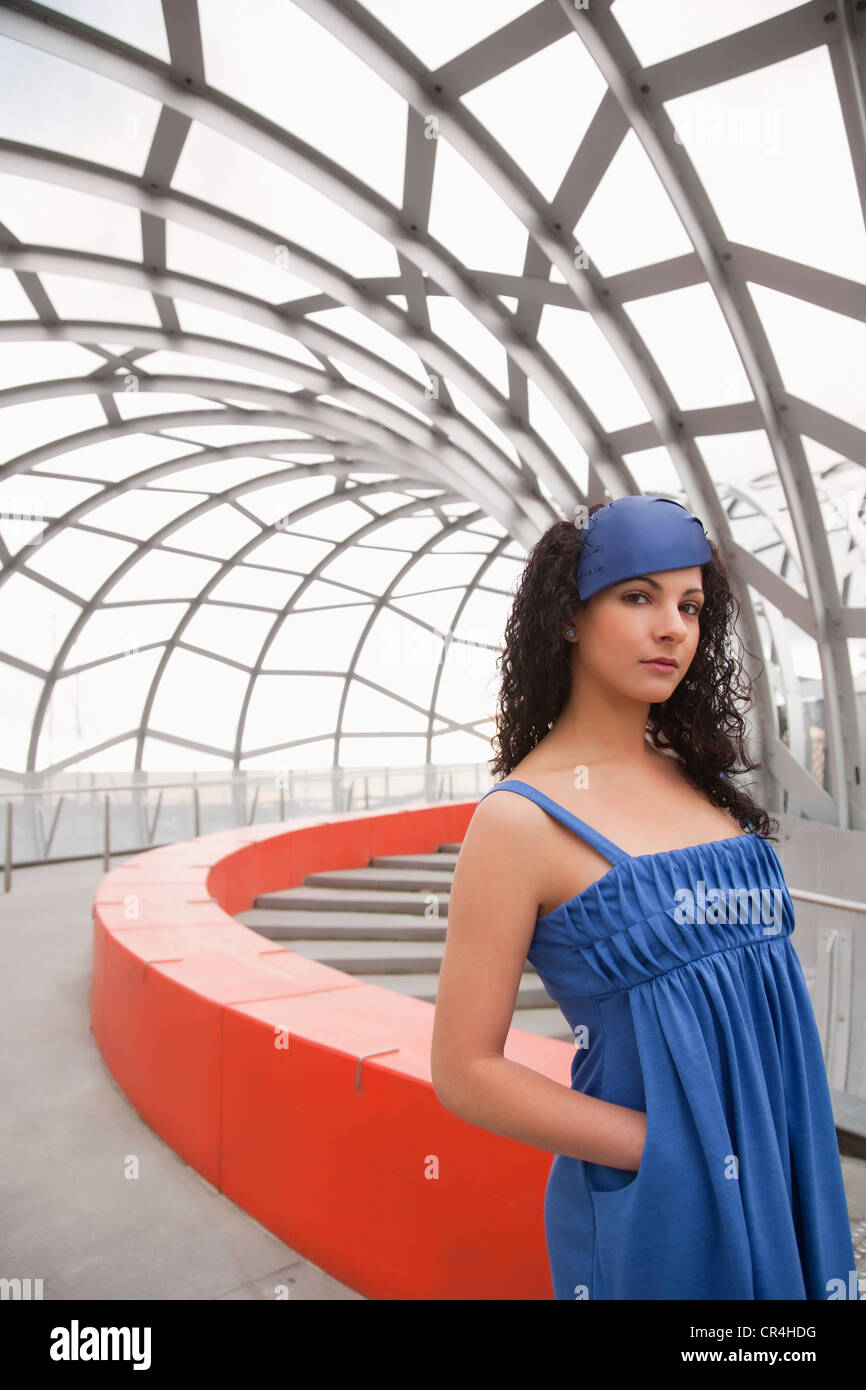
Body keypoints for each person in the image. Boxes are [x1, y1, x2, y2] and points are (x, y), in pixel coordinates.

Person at [430, 494, 857, 1300]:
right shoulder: (520, 821)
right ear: (568, 618)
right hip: (671, 1203)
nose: (673, 628)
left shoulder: (700, 779)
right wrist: (663, 1146)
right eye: (638, 596)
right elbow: (464, 1069)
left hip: (786, 1164)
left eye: (690, 606)